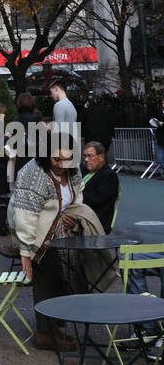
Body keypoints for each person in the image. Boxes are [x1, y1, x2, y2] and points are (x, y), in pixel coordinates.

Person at [8, 146, 104, 352]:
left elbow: (76, 198)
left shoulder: (73, 170)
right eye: (56, 159)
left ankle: (55, 328)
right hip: (34, 231)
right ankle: (45, 334)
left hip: (59, 232)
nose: (61, 165)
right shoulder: (32, 173)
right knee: (47, 277)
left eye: (67, 160)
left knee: (64, 276)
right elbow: (25, 215)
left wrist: (73, 218)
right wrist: (25, 251)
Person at [81, 141, 119, 233]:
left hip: (95, 222)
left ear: (101, 157)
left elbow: (93, 201)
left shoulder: (109, 176)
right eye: (84, 156)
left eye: (90, 156)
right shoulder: (83, 170)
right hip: (81, 216)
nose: (86, 159)